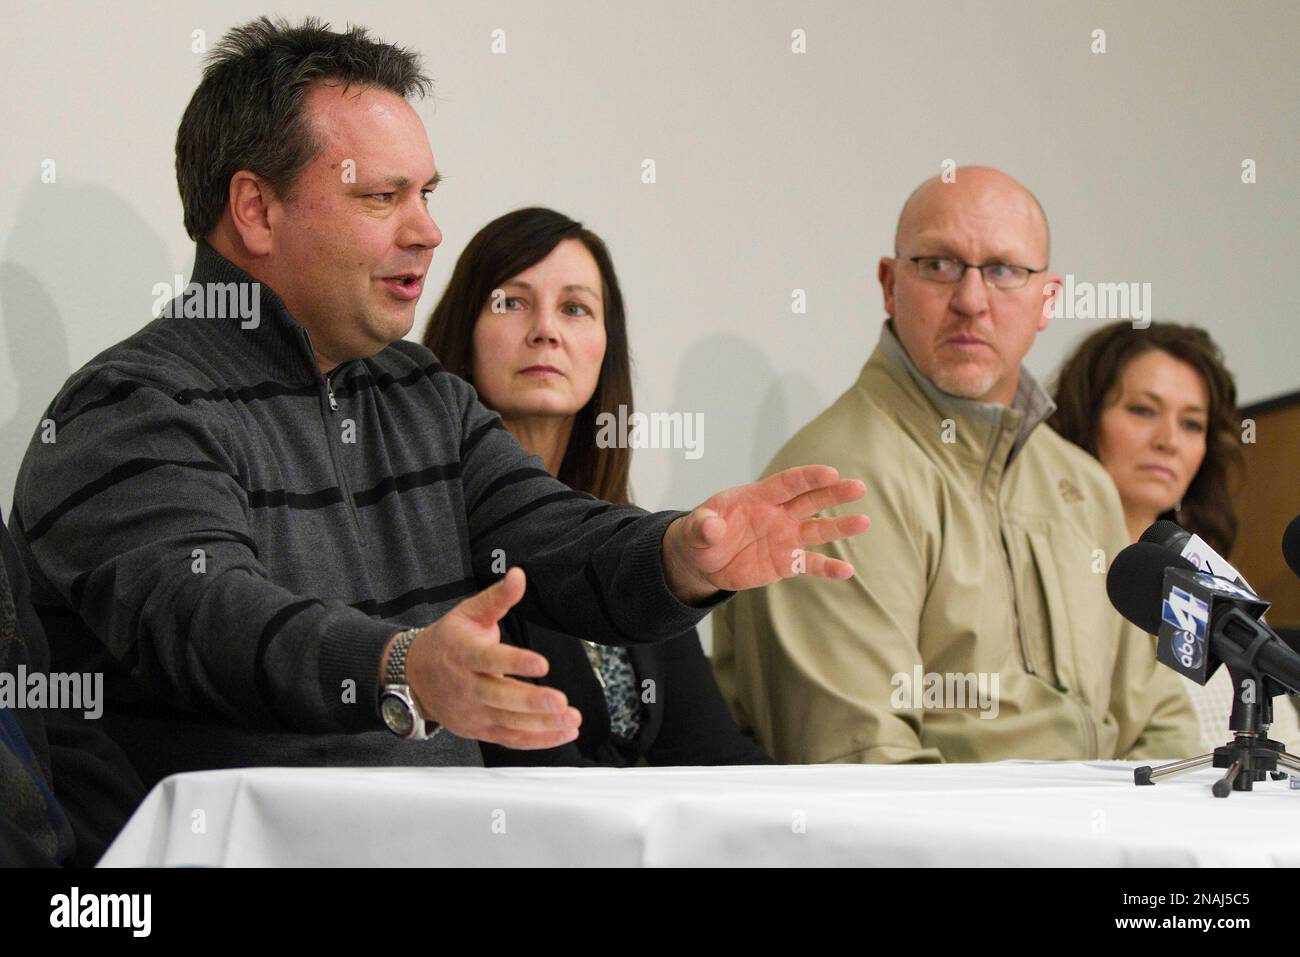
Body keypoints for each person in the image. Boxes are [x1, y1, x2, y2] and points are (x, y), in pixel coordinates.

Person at [9, 16, 866, 838]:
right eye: (383, 196)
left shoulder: (420, 391)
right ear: (257, 212)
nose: (428, 231)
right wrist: (398, 666)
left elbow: (555, 535)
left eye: (426, 193)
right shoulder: (127, 406)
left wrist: (681, 553)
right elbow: (208, 623)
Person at [712, 166, 1200, 764]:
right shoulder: (835, 479)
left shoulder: (1083, 483)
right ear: (890, 285)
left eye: (1003, 271)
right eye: (939, 265)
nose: (971, 301)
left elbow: (1160, 719)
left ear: (1047, 300)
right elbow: (861, 764)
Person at [424, 207, 771, 766]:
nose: (545, 331)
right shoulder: (431, 536)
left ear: (605, 346)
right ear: (464, 328)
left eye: (575, 308)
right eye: (512, 303)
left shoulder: (630, 542)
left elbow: (713, 753)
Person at [1049, 320, 1300, 750]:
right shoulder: (1043, 567)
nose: (1169, 441)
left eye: (1191, 424)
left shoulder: (1219, 582)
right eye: (1143, 411)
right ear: (1085, 418)